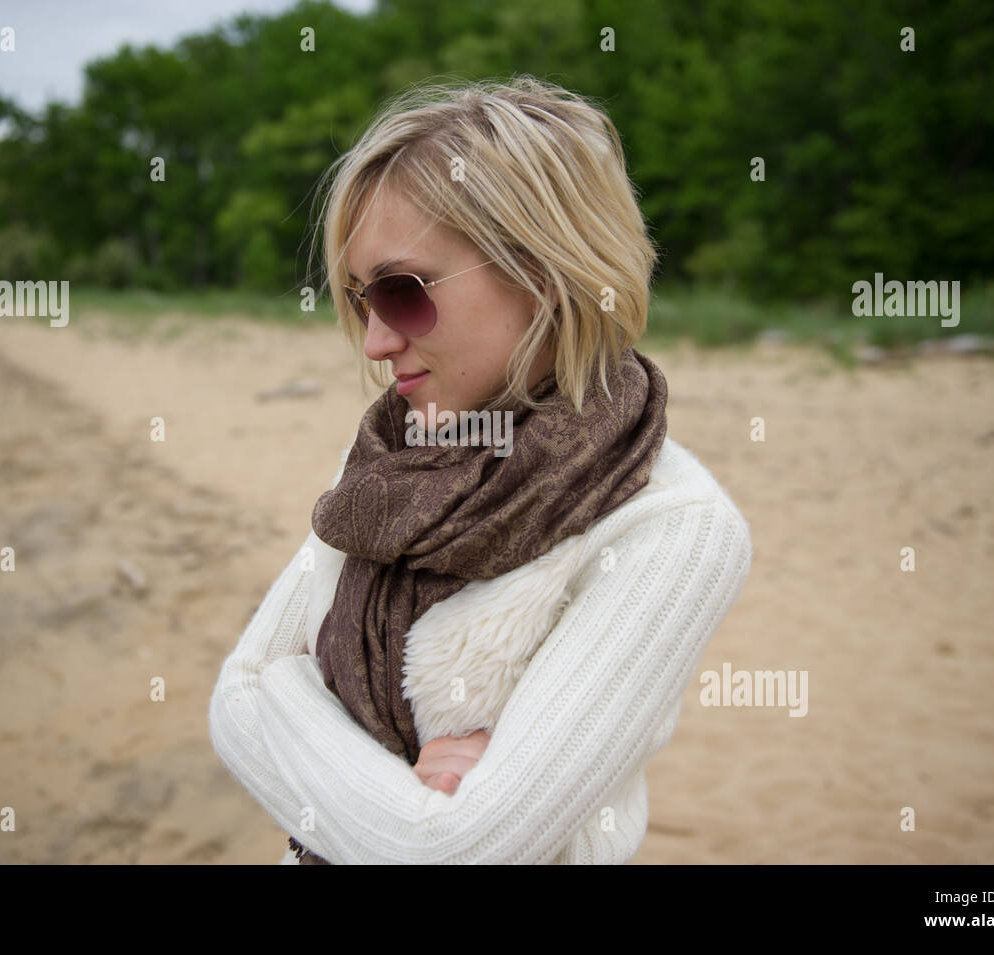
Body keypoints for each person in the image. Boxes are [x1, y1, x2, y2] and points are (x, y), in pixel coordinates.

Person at [208, 75, 752, 864]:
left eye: (402, 291)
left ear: (544, 270)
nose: (374, 341)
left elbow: (455, 854)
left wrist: (285, 704)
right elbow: (236, 697)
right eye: (361, 299)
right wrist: (391, 793)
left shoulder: (674, 527)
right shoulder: (388, 464)